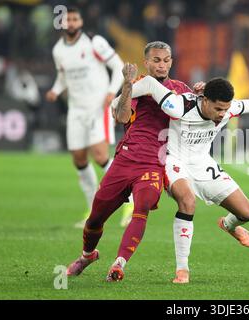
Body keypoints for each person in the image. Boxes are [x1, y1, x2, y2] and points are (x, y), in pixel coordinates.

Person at [112, 71, 249, 284]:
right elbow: (149, 84)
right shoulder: (179, 106)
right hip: (174, 162)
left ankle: (228, 225)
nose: (222, 114)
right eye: (218, 109)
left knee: (247, 213)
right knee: (188, 202)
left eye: (225, 109)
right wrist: (117, 101)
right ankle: (182, 269)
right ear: (205, 100)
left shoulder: (227, 109)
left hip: (203, 164)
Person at [65, 41, 194, 282]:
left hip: (154, 164)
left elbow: (200, 111)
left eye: (166, 60)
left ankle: (119, 264)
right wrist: (126, 83)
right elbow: (122, 116)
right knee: (95, 220)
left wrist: (203, 90)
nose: (161, 64)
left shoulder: (180, 89)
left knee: (142, 207)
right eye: (156, 60)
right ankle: (87, 255)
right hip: (125, 160)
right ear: (146, 62)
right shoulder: (137, 86)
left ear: (171, 62)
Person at [45, 7, 132, 227]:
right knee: (79, 158)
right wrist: (55, 90)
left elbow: (118, 66)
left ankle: (129, 200)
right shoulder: (58, 50)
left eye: (75, 19)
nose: (71, 23)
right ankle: (92, 210)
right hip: (76, 109)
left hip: (97, 106)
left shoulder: (95, 43)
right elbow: (63, 76)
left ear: (81, 22)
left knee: (100, 155)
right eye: (67, 20)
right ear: (62, 23)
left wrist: (112, 92)